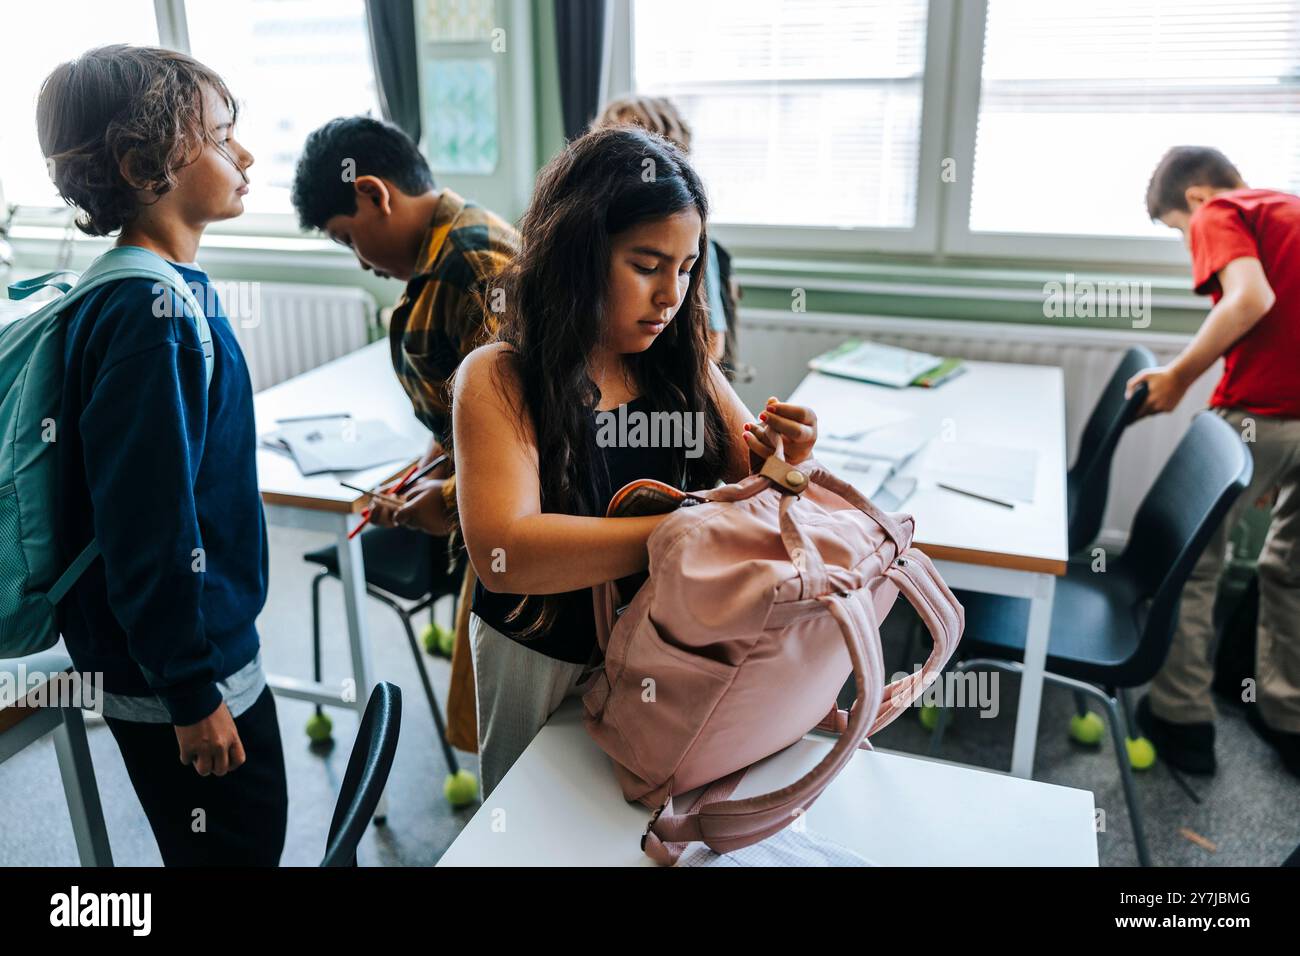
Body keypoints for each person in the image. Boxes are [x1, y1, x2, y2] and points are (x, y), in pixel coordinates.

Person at [452, 126, 820, 796]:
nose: (669, 296)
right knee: (532, 821)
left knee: (634, 811)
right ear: (577, 255)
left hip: (658, 644)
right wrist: (683, 532)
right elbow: (508, 554)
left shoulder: (683, 365)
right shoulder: (498, 378)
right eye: (646, 266)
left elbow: (758, 493)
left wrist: (788, 463)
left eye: (686, 269)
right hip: (540, 654)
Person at [40, 45, 286, 863]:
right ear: (143, 164)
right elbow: (149, 525)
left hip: (197, 651)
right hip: (181, 673)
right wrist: (190, 694)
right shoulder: (150, 313)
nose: (244, 154)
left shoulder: (167, 289)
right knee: (236, 849)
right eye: (221, 138)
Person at [291, 116, 521, 752]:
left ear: (373, 193)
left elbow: (522, 432)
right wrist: (430, 469)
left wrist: (447, 501)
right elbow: (465, 420)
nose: (361, 261)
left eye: (347, 239)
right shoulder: (444, 253)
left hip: (511, 519)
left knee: (507, 725)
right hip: (483, 502)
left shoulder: (474, 262)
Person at [1130, 146, 1300, 778]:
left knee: (1195, 569)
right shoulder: (1289, 211)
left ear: (1195, 200)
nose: (1189, 241)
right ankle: (1288, 719)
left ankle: (1182, 721)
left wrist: (1177, 375)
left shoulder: (1218, 211)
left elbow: (1250, 299)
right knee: (1290, 569)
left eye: (1179, 231)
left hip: (1260, 411)